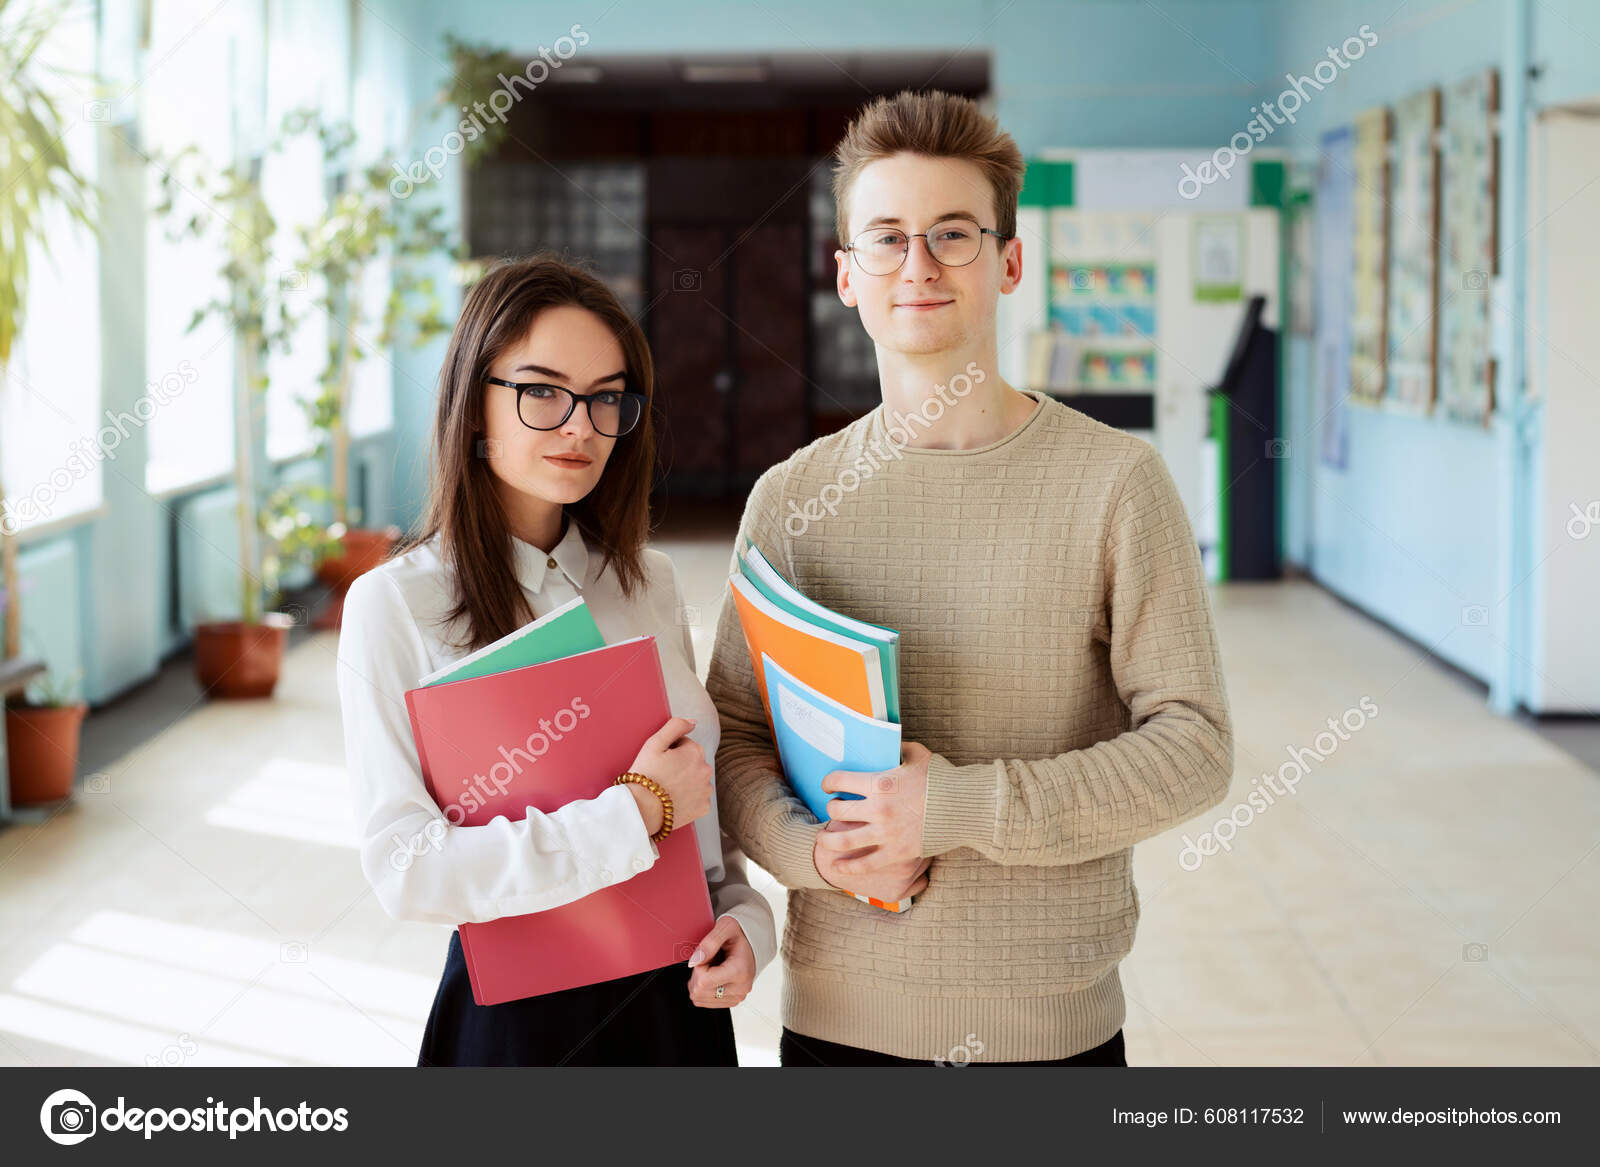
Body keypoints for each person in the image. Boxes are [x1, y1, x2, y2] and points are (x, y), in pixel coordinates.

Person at [705, 91, 1234, 1067]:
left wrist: (953, 807)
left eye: (953, 234)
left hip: (1053, 1038)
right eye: (887, 238)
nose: (918, 266)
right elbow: (732, 738)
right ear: (846, 275)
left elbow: (1195, 746)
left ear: (1009, 261)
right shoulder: (790, 499)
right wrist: (809, 853)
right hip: (834, 1029)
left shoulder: (1118, 483)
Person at [336, 254, 775, 1066]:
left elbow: (700, 818)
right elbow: (406, 869)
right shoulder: (396, 604)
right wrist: (632, 811)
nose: (580, 426)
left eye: (606, 398)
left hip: (675, 1011)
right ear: (474, 405)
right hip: (518, 1027)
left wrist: (747, 922)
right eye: (542, 391)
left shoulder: (648, 582)